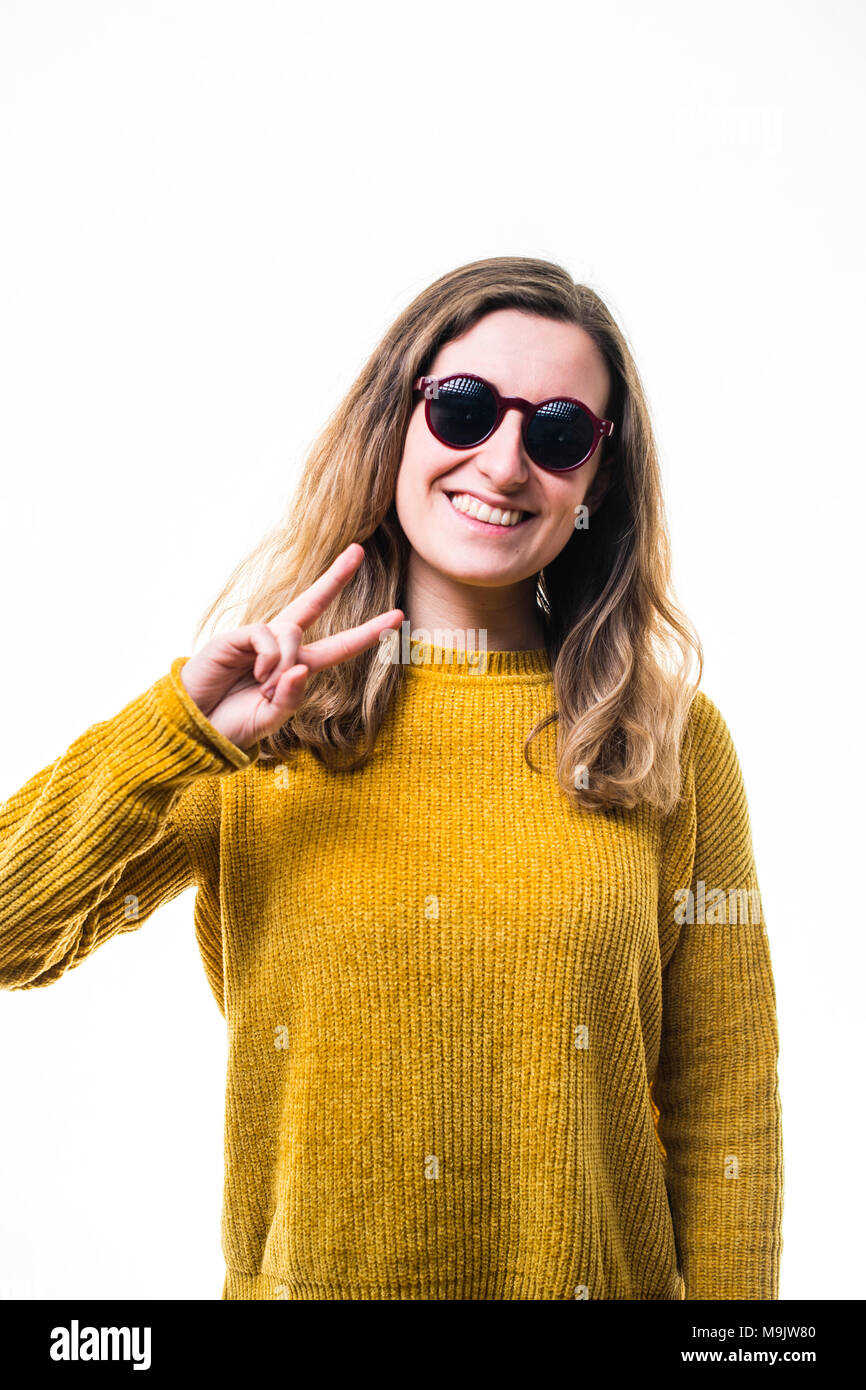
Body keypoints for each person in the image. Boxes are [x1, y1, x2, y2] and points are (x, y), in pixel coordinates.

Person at [0, 255, 783, 1300]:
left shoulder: (660, 738)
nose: (503, 464)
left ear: (598, 479)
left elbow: (724, 1103)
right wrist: (177, 732)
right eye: (464, 409)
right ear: (396, 424)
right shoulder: (255, 731)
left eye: (558, 434)